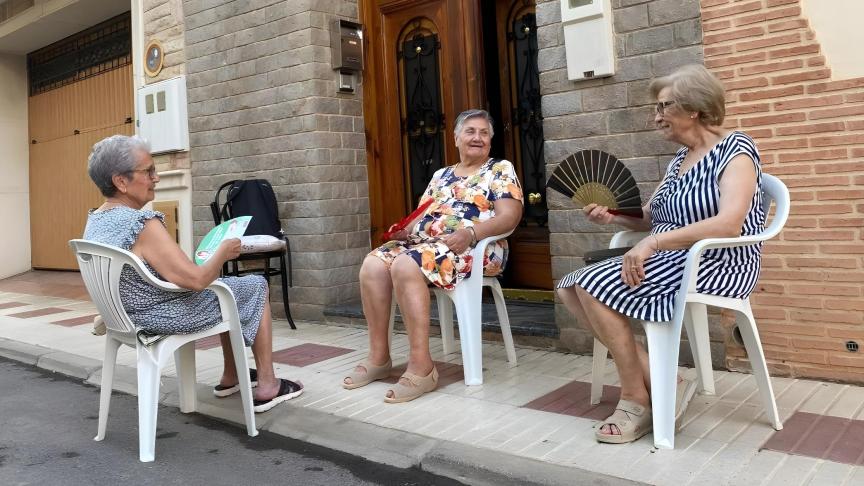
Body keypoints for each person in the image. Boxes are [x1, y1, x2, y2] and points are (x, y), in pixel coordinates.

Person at [556, 64, 765, 444]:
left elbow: (729, 223)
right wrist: (613, 216)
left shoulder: (735, 149)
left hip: (717, 261)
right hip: (672, 257)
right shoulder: (679, 160)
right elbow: (654, 217)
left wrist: (652, 242)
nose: (656, 117)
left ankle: (635, 398)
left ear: (694, 109)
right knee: (570, 287)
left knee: (590, 286)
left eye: (663, 107)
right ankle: (663, 377)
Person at [82, 135, 302, 413]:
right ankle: (268, 384)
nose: (157, 177)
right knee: (254, 283)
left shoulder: (96, 220)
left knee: (226, 288)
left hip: (126, 315)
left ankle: (232, 376)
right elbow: (197, 281)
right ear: (120, 181)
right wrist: (222, 252)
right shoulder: (142, 223)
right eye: (148, 171)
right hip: (160, 315)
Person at [343, 109, 523, 403]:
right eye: (470, 131)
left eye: (484, 133)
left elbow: (510, 217)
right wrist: (404, 231)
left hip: (477, 249)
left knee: (406, 264)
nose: (477, 138)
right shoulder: (441, 175)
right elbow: (420, 217)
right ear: (455, 138)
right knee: (373, 264)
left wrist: (472, 234)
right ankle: (379, 358)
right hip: (428, 244)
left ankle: (422, 367)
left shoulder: (499, 170)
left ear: (490, 139)